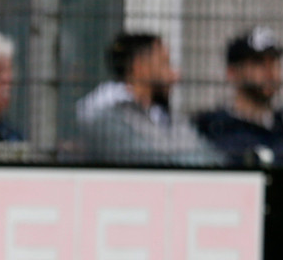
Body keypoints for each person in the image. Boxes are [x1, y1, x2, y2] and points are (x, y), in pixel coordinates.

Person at [76, 31, 220, 166]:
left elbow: (209, 156)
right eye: (165, 64)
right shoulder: (105, 115)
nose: (175, 76)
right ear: (140, 67)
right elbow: (148, 163)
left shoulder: (162, 113)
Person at [192, 27, 283, 168]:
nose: (270, 71)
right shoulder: (211, 131)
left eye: (274, 61)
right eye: (258, 62)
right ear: (232, 72)